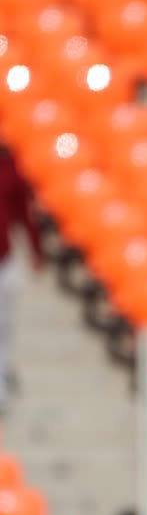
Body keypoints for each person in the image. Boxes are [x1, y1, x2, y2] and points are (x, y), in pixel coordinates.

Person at [0, 145, 43, 411]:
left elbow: (25, 213)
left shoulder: (11, 171)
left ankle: (1, 381)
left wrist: (36, 249)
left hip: (4, 260)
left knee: (4, 327)